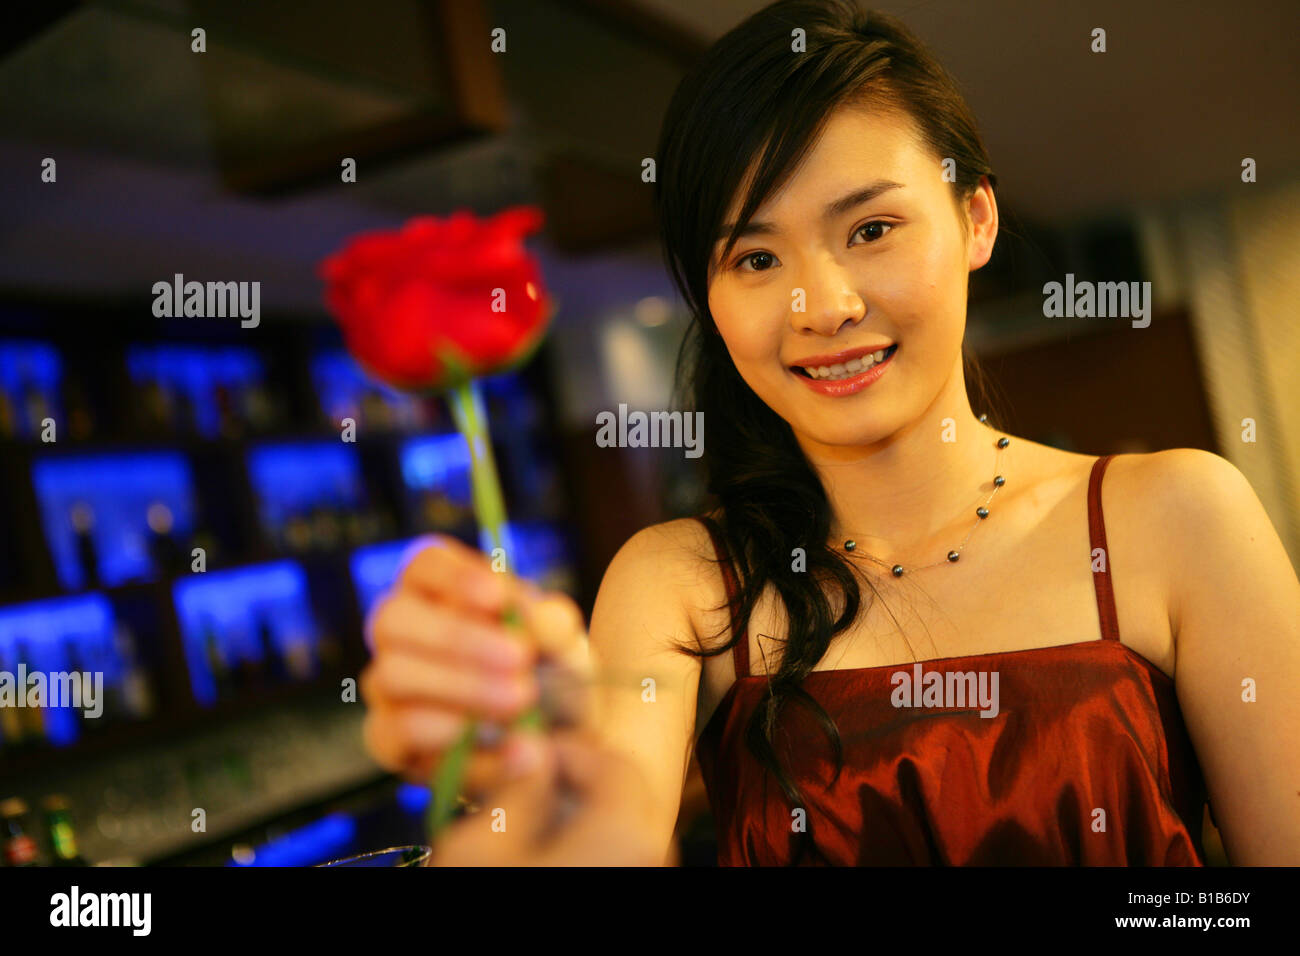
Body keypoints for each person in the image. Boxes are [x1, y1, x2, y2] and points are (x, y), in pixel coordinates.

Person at [361, 0, 1300, 865]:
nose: (824, 307)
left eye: (872, 229)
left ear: (976, 219)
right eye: (758, 256)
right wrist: (523, 788)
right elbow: (588, 840)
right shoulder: (681, 583)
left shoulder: (1175, 514)